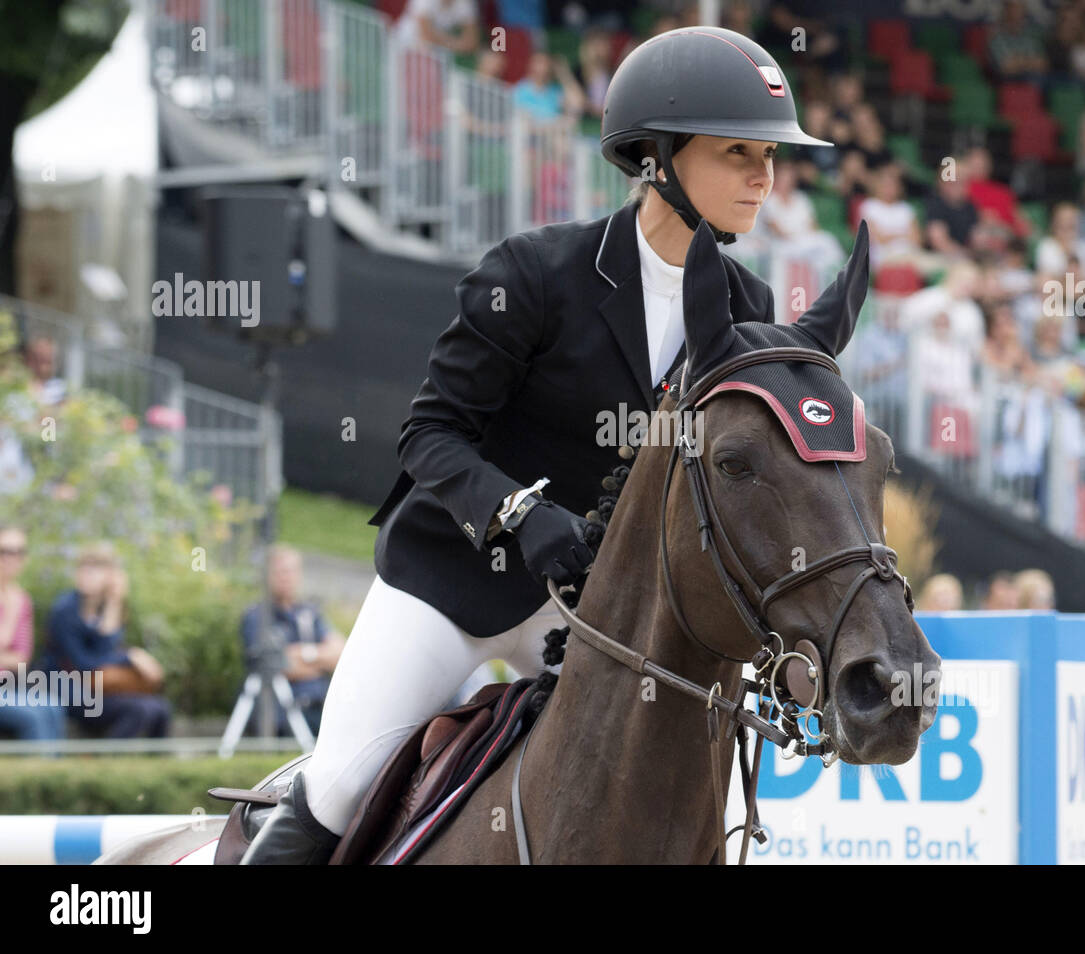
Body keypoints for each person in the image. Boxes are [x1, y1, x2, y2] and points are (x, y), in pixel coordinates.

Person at [240, 25, 836, 864]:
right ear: (657, 158)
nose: (763, 175)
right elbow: (430, 433)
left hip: (592, 613)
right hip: (452, 584)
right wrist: (519, 515)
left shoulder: (745, 304)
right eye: (738, 150)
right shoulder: (533, 273)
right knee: (342, 781)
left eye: (769, 156)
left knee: (692, 804)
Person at [44, 542, 170, 739]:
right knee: (138, 710)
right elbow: (84, 665)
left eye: (95, 569)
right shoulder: (65, 611)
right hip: (67, 690)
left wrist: (114, 602)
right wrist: (130, 657)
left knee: (160, 709)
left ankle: (159, 766)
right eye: (83, 568)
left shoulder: (105, 609)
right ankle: (107, 764)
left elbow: (105, 652)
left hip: (98, 688)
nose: (86, 574)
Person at [239, 545, 345, 737]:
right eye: (280, 572)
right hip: (282, 716)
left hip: (323, 709)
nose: (286, 577)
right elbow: (276, 665)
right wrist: (321, 662)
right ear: (267, 576)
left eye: (291, 571)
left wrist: (304, 654)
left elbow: (342, 654)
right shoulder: (257, 617)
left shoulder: (310, 613)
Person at [0, 525, 64, 743]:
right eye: (5, 551)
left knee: (53, 707)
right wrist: (10, 614)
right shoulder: (16, 603)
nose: (12, 558)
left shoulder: (22, 599)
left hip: (8, 686)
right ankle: (35, 776)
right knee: (33, 717)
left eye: (19, 552)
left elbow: (21, 658)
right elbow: (8, 644)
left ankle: (56, 776)